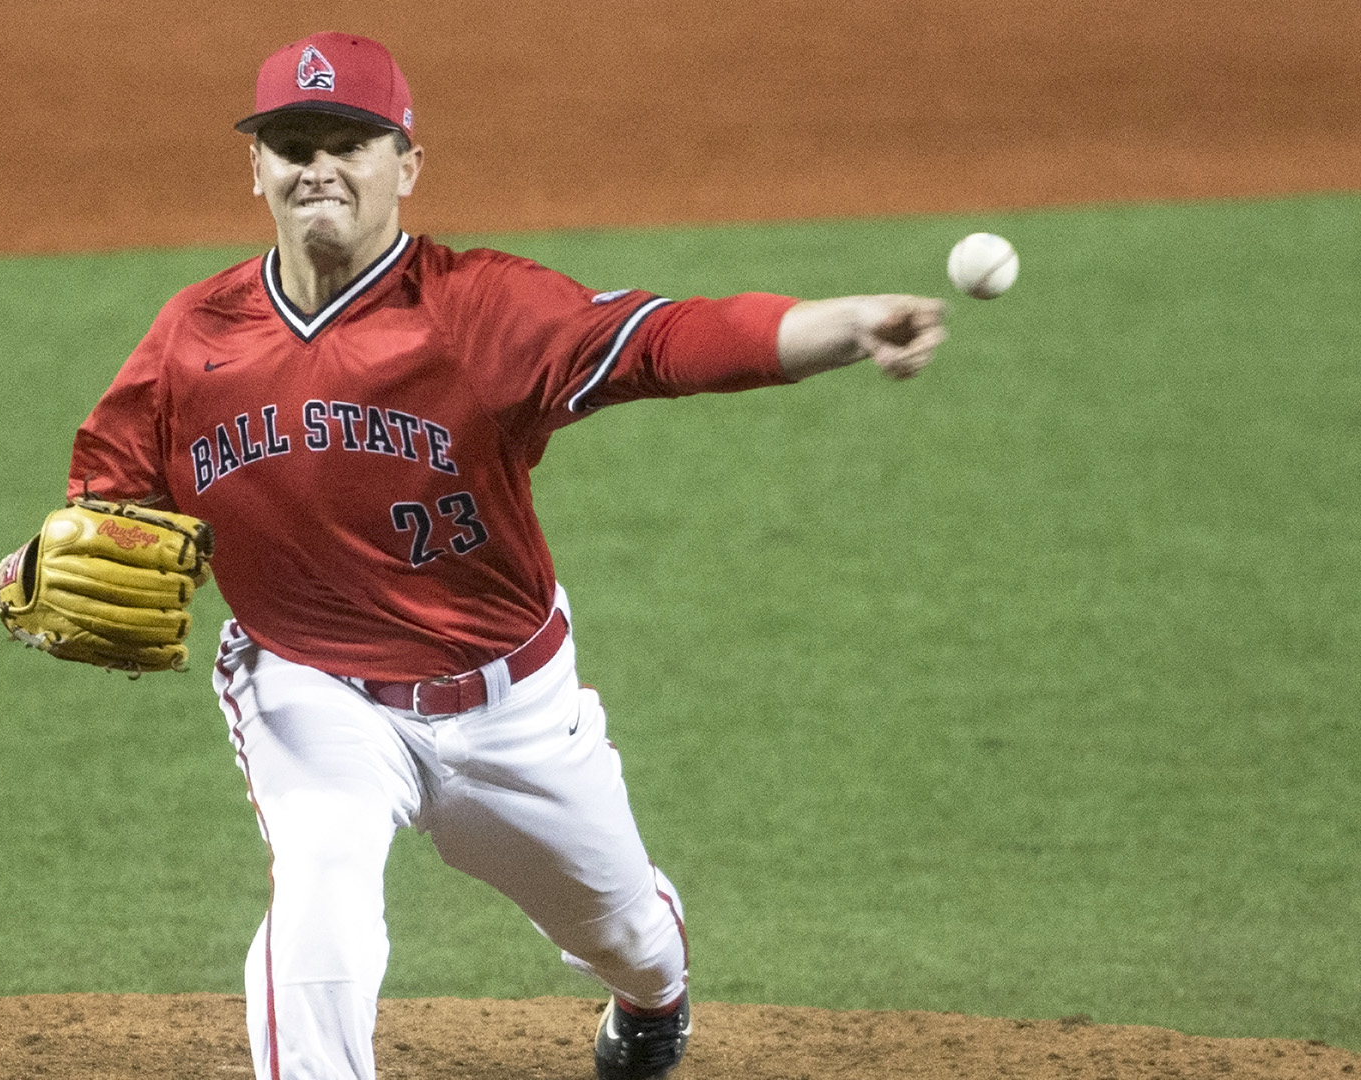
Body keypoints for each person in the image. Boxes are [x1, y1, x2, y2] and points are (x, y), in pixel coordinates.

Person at [62, 31, 947, 1080]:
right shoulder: (191, 337)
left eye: (350, 141)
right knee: (323, 874)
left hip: (511, 705)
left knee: (627, 934)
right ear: (256, 168)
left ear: (407, 164)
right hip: (308, 687)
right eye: (293, 144)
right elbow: (105, 496)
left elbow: (667, 341)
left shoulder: (482, 310)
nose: (319, 168)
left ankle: (654, 999)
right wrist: (33, 561)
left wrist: (837, 325)